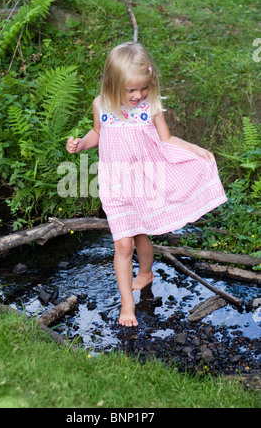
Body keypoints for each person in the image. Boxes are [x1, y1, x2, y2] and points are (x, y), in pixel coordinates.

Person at [66, 41, 227, 328]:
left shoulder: (150, 105)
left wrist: (195, 149)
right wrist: (81, 145)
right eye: (131, 90)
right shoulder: (101, 104)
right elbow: (98, 133)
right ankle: (128, 304)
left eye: (143, 88)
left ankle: (147, 272)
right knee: (124, 244)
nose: (139, 95)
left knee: (141, 235)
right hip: (115, 185)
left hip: (145, 180)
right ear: (113, 84)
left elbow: (166, 138)